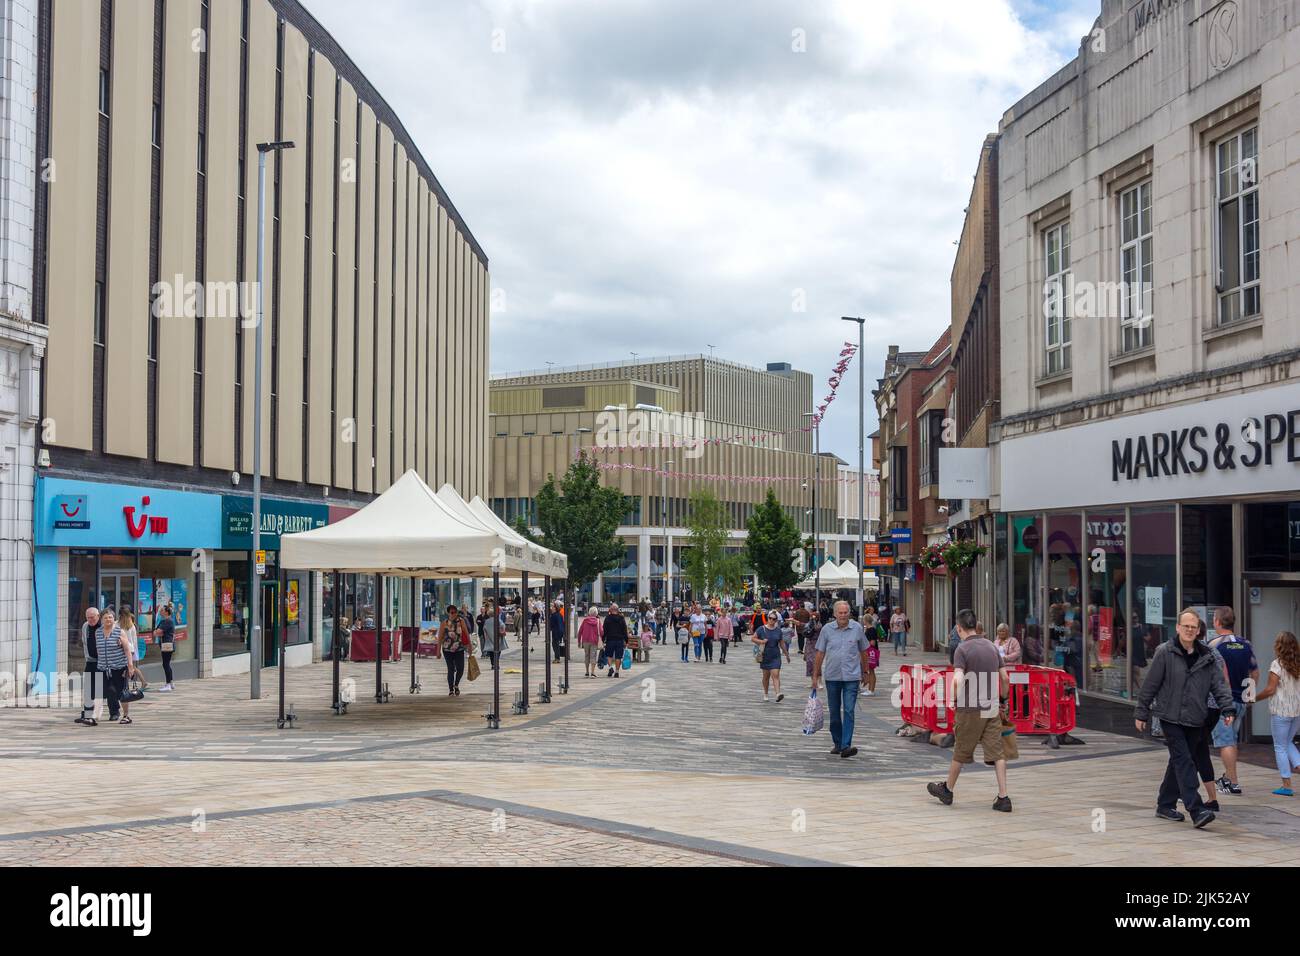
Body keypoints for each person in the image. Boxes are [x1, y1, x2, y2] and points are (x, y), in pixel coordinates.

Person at [1135, 608, 1235, 828]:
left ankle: (1164, 804)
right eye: (1186, 626)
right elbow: (1151, 683)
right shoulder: (1165, 652)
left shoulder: (1207, 656)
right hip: (1170, 717)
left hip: (1195, 718)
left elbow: (1219, 686)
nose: (1190, 630)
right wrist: (1142, 711)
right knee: (1184, 761)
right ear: (1178, 627)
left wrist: (1228, 709)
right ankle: (1197, 809)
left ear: (1199, 630)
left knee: (1178, 762)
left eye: (1194, 627)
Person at [927, 608, 1012, 811]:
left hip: (969, 707)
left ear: (959, 628)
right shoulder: (992, 647)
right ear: (975, 625)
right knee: (997, 753)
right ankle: (1003, 797)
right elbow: (1005, 678)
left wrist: (954, 699)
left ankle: (947, 790)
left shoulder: (962, 650)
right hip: (991, 706)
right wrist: (1003, 699)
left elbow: (957, 679)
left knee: (961, 751)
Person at [1207, 607, 1257, 797]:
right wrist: (1249, 696)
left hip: (1223, 703)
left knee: (1226, 742)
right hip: (1241, 701)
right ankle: (1228, 777)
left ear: (1218, 622)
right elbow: (1255, 672)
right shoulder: (1246, 644)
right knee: (1232, 740)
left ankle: (1232, 782)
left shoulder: (1214, 645)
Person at [810, 601, 870, 758]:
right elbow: (819, 653)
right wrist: (815, 676)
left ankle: (846, 745)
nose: (843, 615)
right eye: (840, 612)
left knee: (849, 710)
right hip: (833, 676)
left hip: (852, 676)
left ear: (849, 613)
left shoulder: (857, 628)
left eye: (846, 612)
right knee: (835, 712)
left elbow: (864, 650)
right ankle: (837, 743)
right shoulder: (827, 630)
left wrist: (866, 671)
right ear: (835, 614)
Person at [1252, 631, 1300, 796]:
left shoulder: (1277, 664)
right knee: (1287, 742)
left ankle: (1286, 786)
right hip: (1296, 711)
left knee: (1280, 746)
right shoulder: (1298, 664)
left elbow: (1270, 689)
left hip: (1280, 711)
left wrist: (1254, 699)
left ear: (1279, 646)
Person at [95, 608, 131, 725]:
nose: (108, 619)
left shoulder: (119, 632)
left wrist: (130, 666)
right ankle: (112, 712)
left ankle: (126, 715)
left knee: (122, 692)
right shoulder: (98, 632)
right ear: (101, 619)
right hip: (103, 667)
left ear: (114, 619)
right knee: (107, 691)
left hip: (118, 667)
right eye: (105, 617)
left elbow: (127, 650)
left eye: (110, 617)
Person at [751, 611, 791, 703]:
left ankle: (778, 693)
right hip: (765, 656)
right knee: (766, 676)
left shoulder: (778, 631)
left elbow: (781, 643)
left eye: (774, 619)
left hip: (775, 656)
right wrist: (761, 642)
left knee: (776, 674)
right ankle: (765, 693)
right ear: (768, 618)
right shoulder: (761, 629)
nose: (771, 620)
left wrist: (786, 654)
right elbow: (753, 638)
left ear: (776, 620)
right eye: (770, 618)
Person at [75, 607, 103, 725]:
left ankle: (113, 710)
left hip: (103, 661)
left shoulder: (103, 626)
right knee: (88, 688)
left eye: (93, 617)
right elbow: (85, 641)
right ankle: (87, 714)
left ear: (98, 616)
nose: (90, 620)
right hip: (90, 660)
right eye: (88, 618)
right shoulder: (85, 626)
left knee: (102, 689)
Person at [438, 604, 472, 696]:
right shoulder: (444, 623)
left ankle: (456, 684)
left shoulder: (461, 621)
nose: (453, 614)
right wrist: (438, 651)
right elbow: (440, 637)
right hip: (447, 650)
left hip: (459, 648)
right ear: (448, 613)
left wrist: (470, 646)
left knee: (460, 668)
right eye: (451, 612)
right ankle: (450, 689)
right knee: (451, 669)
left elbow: (466, 633)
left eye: (455, 612)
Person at [118, 606, 142, 723]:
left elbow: (133, 641)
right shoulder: (130, 625)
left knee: (125, 679)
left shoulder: (122, 625)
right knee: (125, 678)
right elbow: (134, 641)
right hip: (129, 651)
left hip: (125, 652)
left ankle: (123, 710)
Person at [153, 603, 177, 692]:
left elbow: (157, 632)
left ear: (166, 612)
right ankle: (171, 682)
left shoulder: (167, 621)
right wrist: (158, 632)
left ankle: (168, 684)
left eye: (162, 610)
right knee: (167, 663)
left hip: (167, 645)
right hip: (166, 644)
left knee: (165, 664)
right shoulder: (164, 621)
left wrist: (158, 632)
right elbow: (155, 632)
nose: (160, 611)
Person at [602, 603, 628, 677]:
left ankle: (610, 667)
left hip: (610, 640)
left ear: (611, 610)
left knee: (609, 655)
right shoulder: (621, 618)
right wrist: (626, 641)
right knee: (618, 657)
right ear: (617, 610)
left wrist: (603, 639)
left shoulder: (607, 618)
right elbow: (624, 630)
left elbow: (604, 630)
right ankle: (617, 672)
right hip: (619, 640)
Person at [577, 607, 603, 678]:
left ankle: (587, 672)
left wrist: (579, 641)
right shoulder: (598, 621)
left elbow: (580, 632)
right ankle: (593, 672)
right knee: (593, 656)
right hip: (594, 641)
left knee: (587, 656)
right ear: (596, 613)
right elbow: (601, 632)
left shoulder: (585, 620)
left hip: (585, 641)